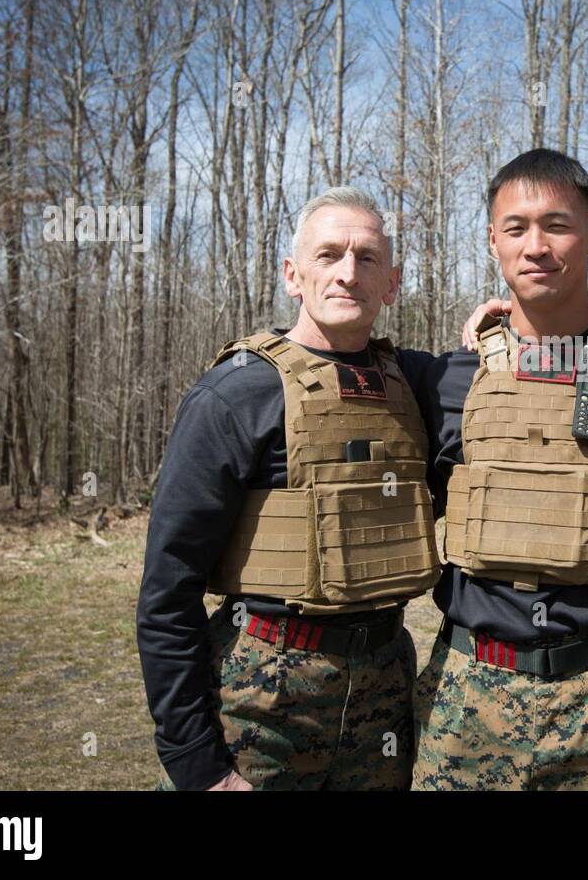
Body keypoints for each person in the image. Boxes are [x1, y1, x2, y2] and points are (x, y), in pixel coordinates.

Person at [408, 148, 588, 790]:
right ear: (492, 241)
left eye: (557, 225)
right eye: (515, 228)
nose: (536, 246)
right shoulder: (446, 378)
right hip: (468, 697)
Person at [136, 186, 440, 790]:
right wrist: (201, 769)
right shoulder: (236, 393)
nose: (348, 274)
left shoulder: (415, 383)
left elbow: (509, 377)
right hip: (263, 704)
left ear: (393, 282)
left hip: (384, 693)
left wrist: (579, 338)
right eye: (328, 255)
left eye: (367, 258)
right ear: (293, 275)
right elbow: (168, 593)